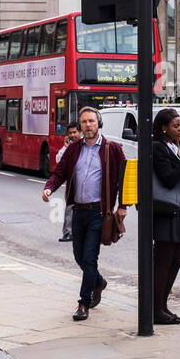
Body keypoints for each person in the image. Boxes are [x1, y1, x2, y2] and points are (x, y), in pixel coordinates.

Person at [42, 107, 127, 321]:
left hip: (99, 212)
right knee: (79, 257)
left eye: (91, 121)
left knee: (89, 258)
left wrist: (123, 205)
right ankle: (98, 281)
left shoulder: (112, 148)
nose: (88, 125)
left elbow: (125, 178)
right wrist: (49, 188)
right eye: (84, 122)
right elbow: (60, 172)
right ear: (79, 126)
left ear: (98, 123)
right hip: (77, 212)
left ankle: (83, 303)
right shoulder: (73, 149)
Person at [150, 108, 180, 324]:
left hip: (178, 209)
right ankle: (155, 308)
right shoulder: (158, 147)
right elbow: (168, 178)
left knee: (177, 257)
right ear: (163, 127)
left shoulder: (173, 146)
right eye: (176, 126)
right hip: (165, 211)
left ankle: (161, 305)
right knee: (163, 260)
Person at [56, 122, 81, 242]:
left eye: (75, 132)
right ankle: (68, 232)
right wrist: (65, 147)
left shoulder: (84, 145)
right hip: (73, 182)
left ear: (80, 132)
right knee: (70, 207)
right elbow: (58, 160)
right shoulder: (67, 147)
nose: (73, 135)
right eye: (70, 133)